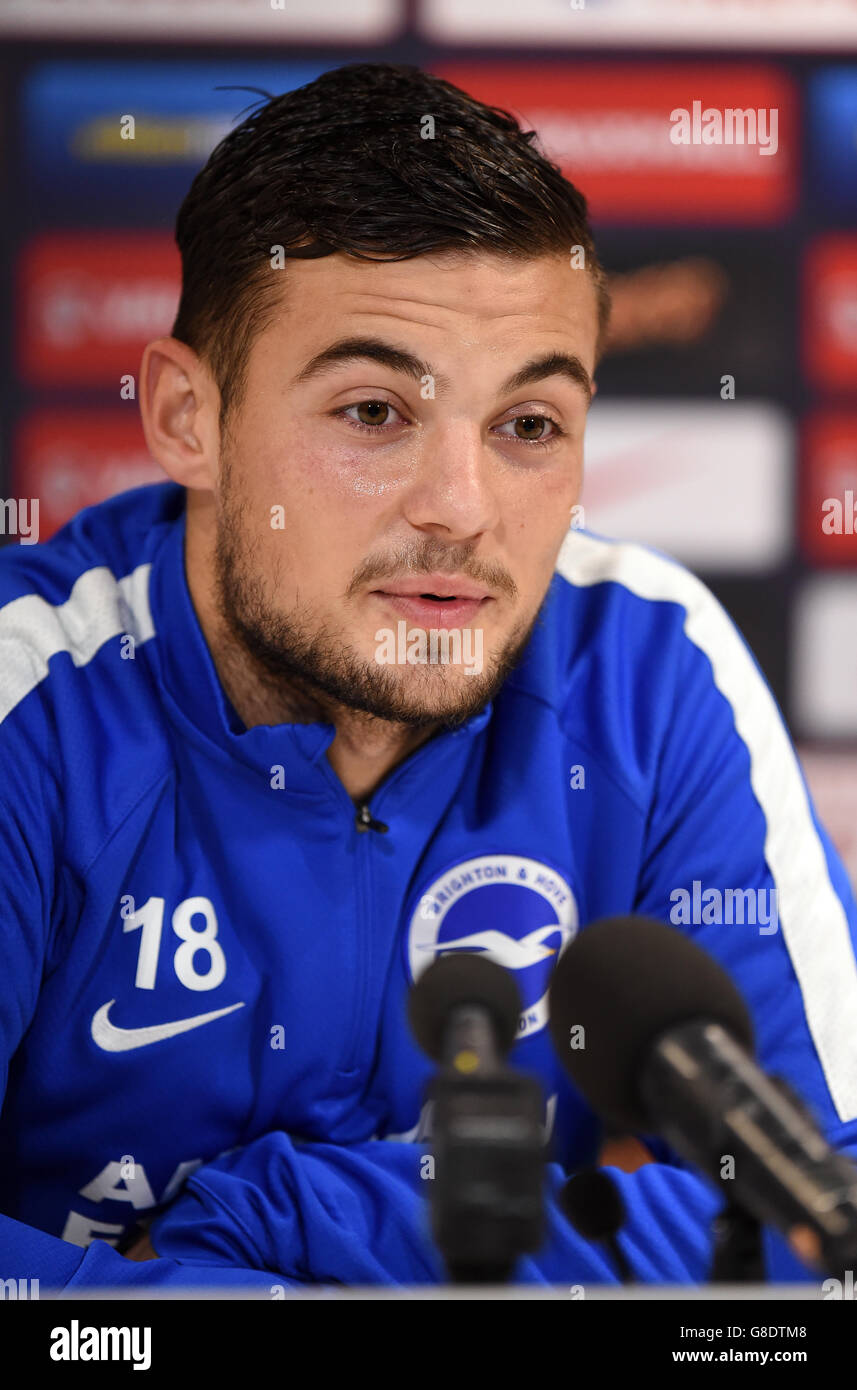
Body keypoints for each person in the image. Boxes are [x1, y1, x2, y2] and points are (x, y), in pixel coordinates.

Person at [1, 62, 854, 1291]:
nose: (460, 510)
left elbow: (817, 1212)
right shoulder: (31, 702)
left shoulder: (648, 670)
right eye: (371, 412)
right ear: (188, 418)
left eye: (526, 427)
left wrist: (282, 1219)